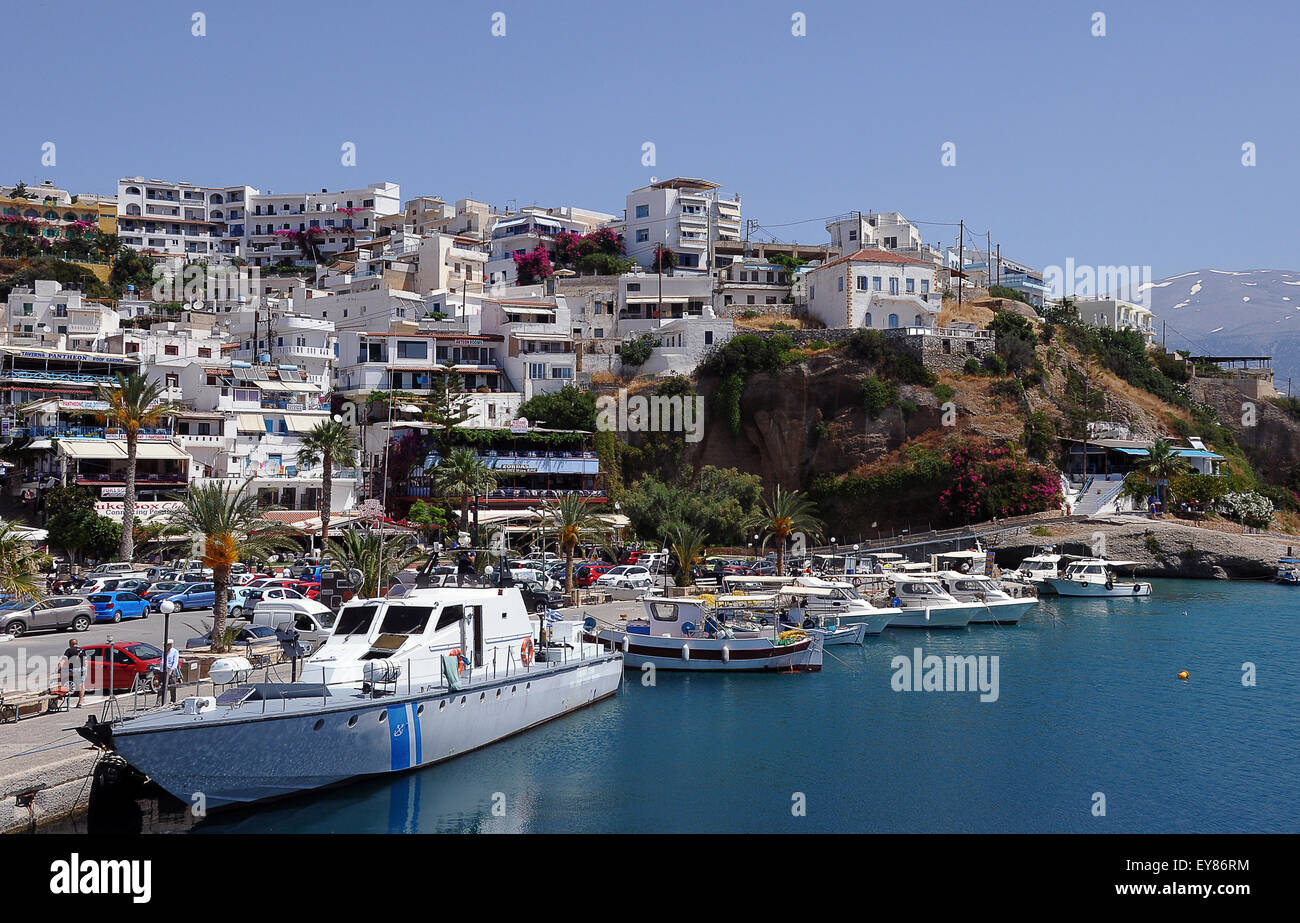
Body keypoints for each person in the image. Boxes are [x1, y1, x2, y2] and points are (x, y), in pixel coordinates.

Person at [61, 639, 87, 709]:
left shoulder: (69, 650)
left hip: (74, 669)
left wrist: (58, 668)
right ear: (77, 643)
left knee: (64, 677)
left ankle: (66, 690)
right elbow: (85, 660)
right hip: (83, 669)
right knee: (82, 685)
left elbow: (63, 660)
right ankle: (80, 702)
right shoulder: (82, 650)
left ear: (70, 644)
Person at [156, 640, 181, 705]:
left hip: (171, 671)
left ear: (170, 645)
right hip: (163, 670)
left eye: (167, 645)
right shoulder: (164, 652)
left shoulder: (174, 651)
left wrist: (171, 670)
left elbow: (175, 662)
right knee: (161, 685)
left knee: (172, 686)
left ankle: (173, 700)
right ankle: (159, 702)